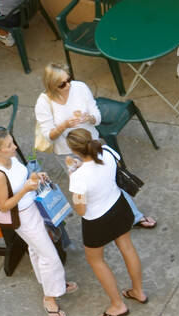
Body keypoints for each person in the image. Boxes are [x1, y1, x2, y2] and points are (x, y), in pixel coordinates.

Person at [34, 62, 156, 229]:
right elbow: (49, 136)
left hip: (92, 142)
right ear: (51, 86)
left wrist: (89, 118)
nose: (68, 85)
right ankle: (106, 220)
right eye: (62, 84)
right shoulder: (43, 103)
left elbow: (97, 116)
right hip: (68, 153)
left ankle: (134, 216)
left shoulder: (80, 88)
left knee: (113, 180)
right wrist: (65, 125)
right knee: (85, 189)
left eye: (68, 79)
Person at [0, 128, 77, 316]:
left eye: (12, 142)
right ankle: (50, 298)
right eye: (9, 145)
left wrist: (33, 178)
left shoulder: (12, 159)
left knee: (36, 250)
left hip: (35, 207)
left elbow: (22, 180)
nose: (14, 146)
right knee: (49, 256)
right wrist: (26, 188)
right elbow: (3, 206)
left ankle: (53, 283)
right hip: (24, 217)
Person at [65, 128, 146, 316]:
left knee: (96, 260)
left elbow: (81, 210)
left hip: (97, 220)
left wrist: (72, 174)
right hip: (119, 206)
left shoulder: (78, 178)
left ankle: (117, 304)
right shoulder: (108, 152)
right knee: (126, 246)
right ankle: (138, 291)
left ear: (74, 150)